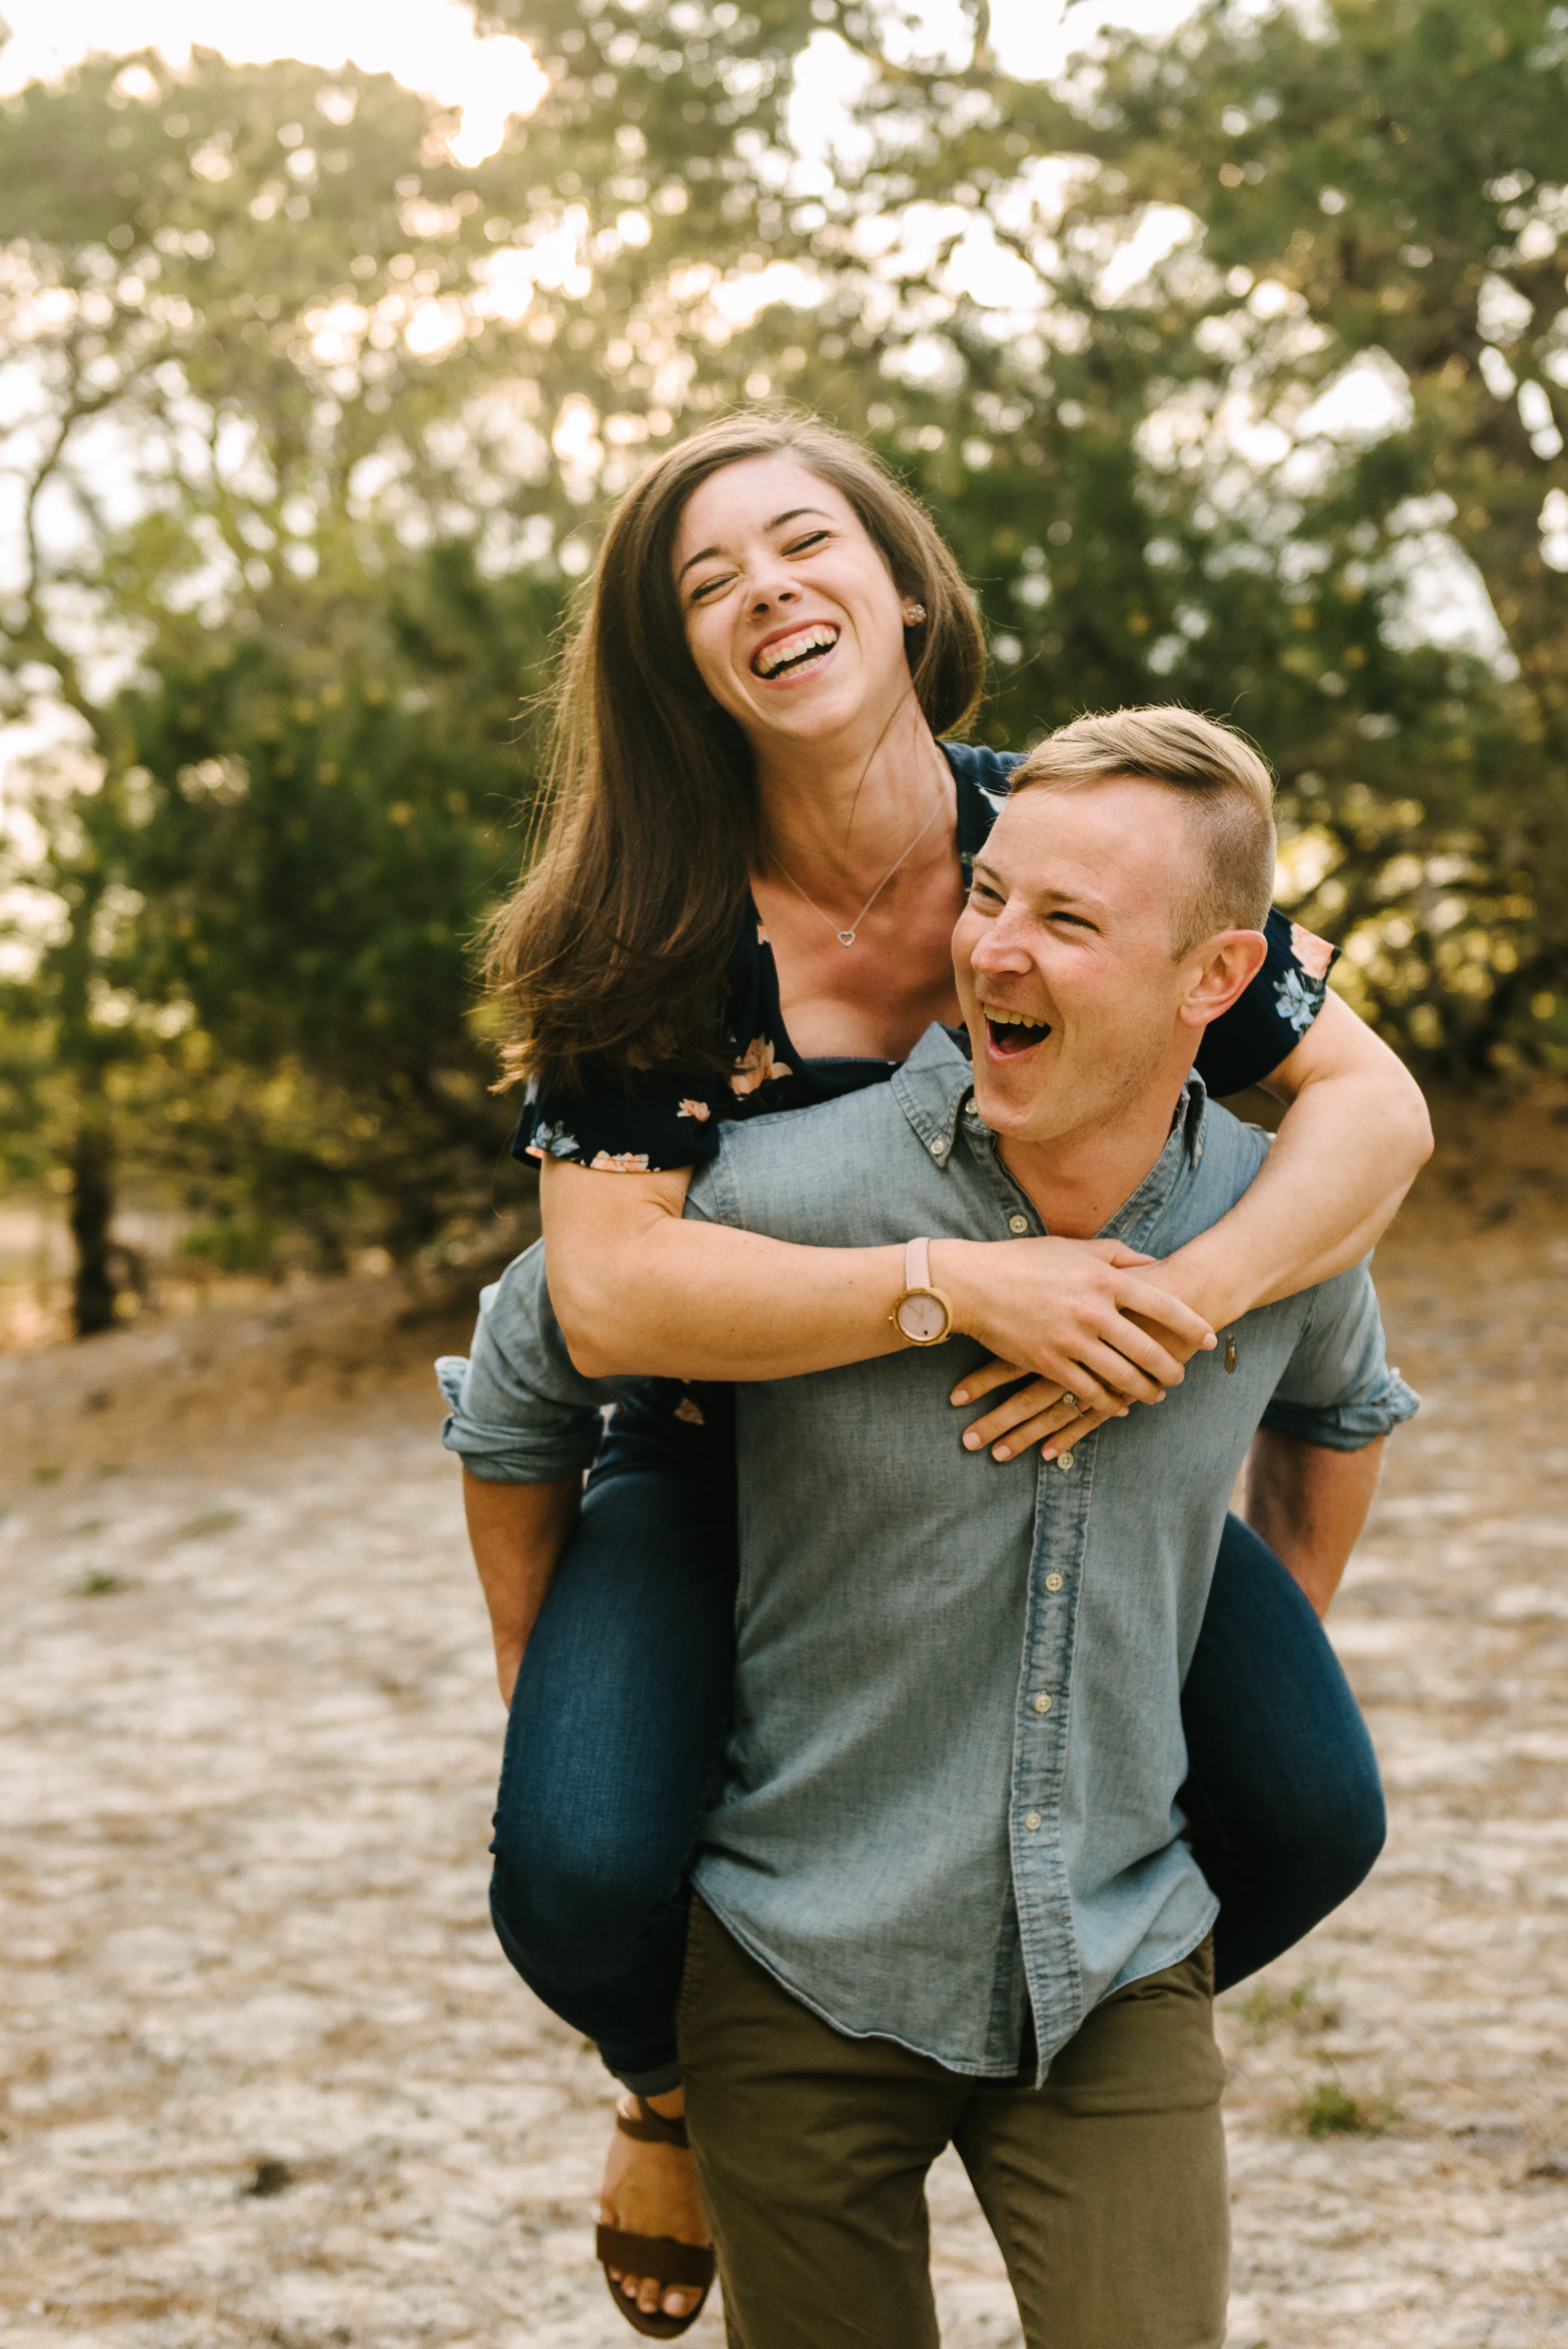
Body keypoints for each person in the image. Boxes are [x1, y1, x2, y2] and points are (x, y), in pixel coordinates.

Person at [452, 411, 1432, 2330]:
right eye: (704, 584)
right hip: (721, 1441)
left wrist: (1175, 1306)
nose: (765, 593)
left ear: (903, 584)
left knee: (1313, 1816)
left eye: (803, 542)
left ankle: (1025, 2037)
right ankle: (690, 2088)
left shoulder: (1058, 837)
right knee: (575, 1873)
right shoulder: (642, 927)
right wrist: (962, 1285)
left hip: (1068, 1407)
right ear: (678, 664)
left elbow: (1375, 1112)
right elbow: (609, 1303)